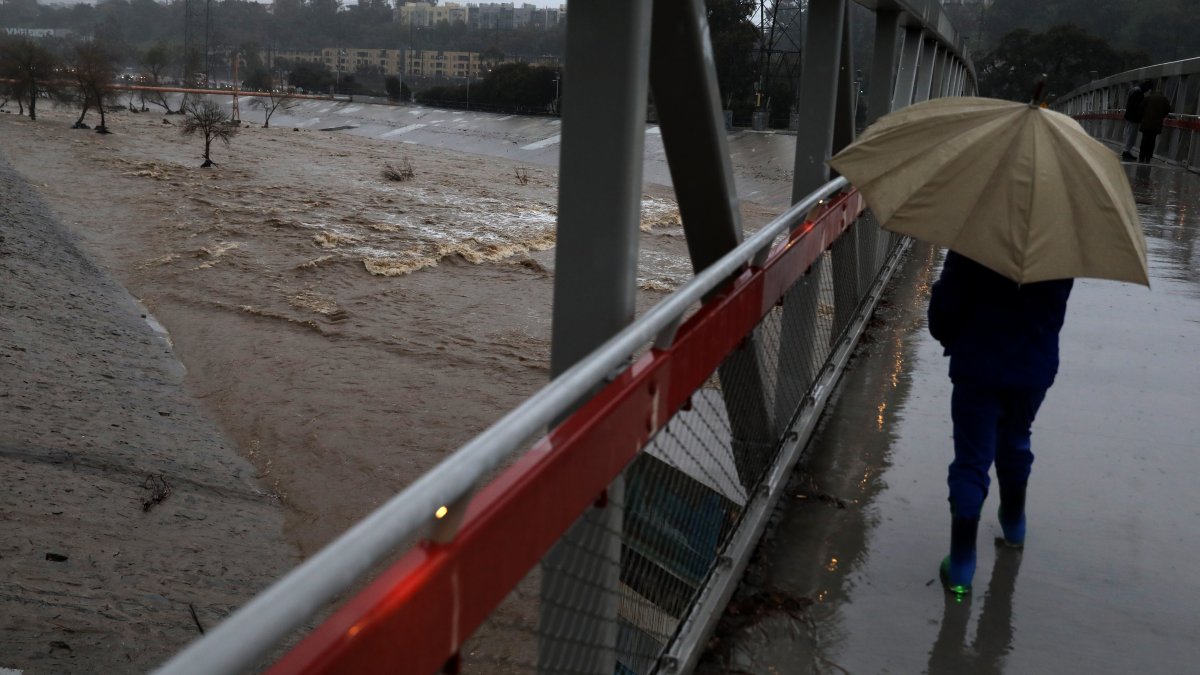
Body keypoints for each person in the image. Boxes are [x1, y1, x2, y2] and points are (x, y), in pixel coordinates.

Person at [927, 251, 1074, 595]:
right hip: (1032, 370)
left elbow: (944, 313)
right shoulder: (1061, 250)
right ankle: (1014, 526)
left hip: (978, 366)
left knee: (971, 461)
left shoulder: (975, 242)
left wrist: (951, 331)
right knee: (1016, 439)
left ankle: (962, 568)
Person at [1138, 84, 1173, 164]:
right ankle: (1148, 157)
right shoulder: (1164, 99)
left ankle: (1141, 156)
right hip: (1156, 125)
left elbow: (1141, 107)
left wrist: (1144, 116)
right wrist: (1161, 116)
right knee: (1152, 141)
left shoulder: (1148, 98)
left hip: (1146, 123)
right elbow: (1167, 109)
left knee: (1144, 140)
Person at [1121, 80, 1151, 161]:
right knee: (1131, 135)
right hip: (1134, 118)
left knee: (1128, 133)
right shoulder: (1139, 93)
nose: (1147, 91)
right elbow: (1138, 106)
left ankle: (1127, 150)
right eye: (1147, 89)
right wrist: (1141, 116)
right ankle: (1127, 151)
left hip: (1129, 116)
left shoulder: (1134, 90)